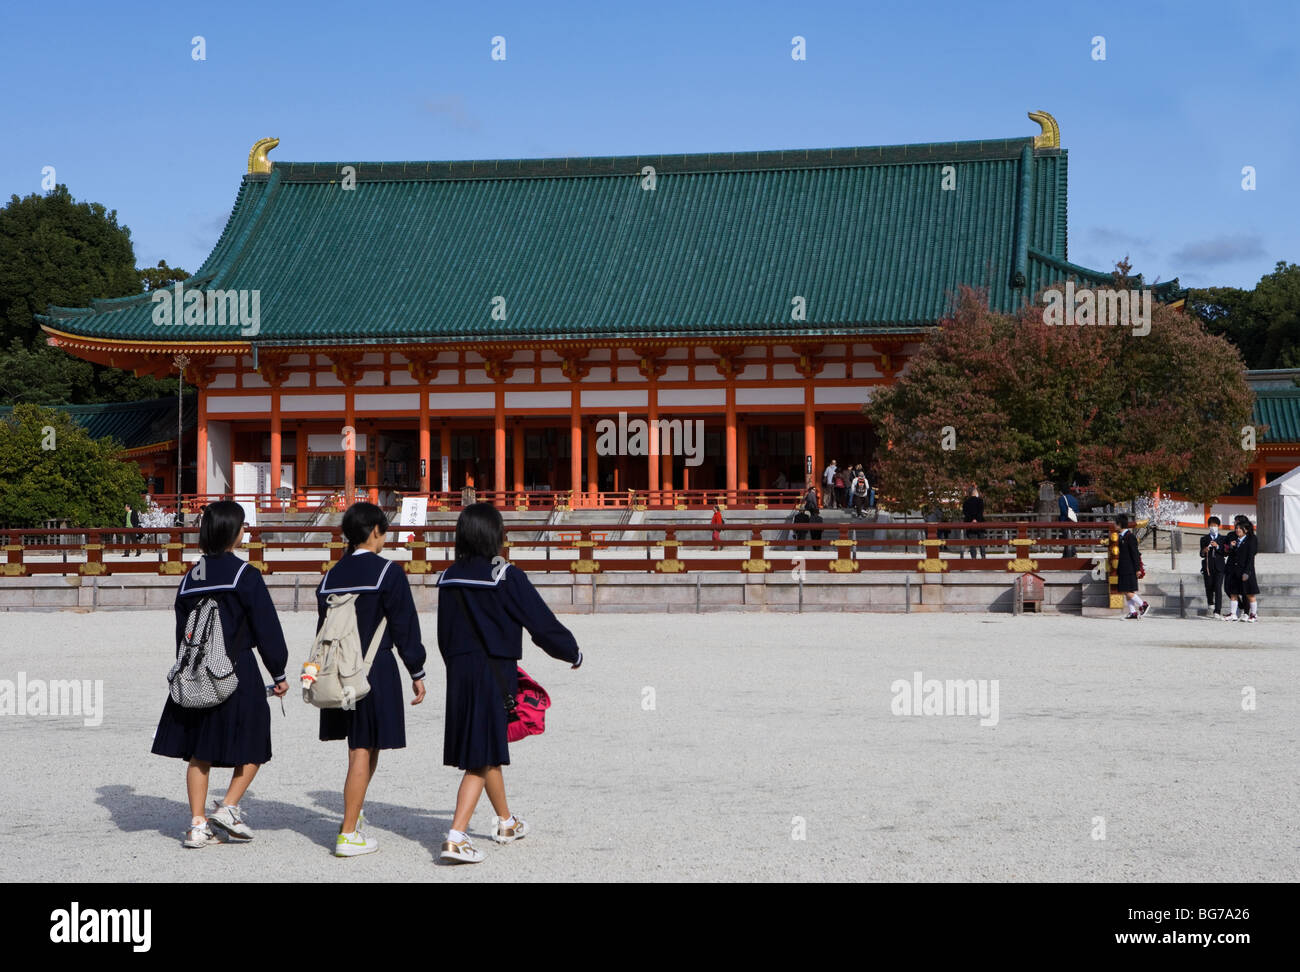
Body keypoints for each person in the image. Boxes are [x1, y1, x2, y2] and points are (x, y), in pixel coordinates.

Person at [435, 503, 582, 864]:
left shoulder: (449, 576)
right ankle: (456, 837)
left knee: (486, 744)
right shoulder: (505, 575)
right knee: (480, 754)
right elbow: (539, 622)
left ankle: (506, 822)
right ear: (494, 535)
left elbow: (443, 633)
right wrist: (571, 652)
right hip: (493, 670)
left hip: (458, 670)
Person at [151, 500, 290, 848]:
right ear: (233, 531)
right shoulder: (245, 574)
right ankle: (228, 806)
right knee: (255, 743)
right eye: (243, 526)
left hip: (197, 670)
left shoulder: (189, 578)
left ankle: (197, 824)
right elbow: (266, 628)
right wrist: (279, 669)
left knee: (200, 751)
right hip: (237, 667)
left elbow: (183, 632)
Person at [316, 502, 428, 857]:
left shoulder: (331, 575)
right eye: (384, 530)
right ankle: (348, 833)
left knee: (364, 743)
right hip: (373, 668)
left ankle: (354, 810)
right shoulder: (388, 573)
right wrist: (417, 671)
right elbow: (404, 625)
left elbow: (324, 629)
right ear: (375, 531)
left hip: (337, 669)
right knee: (361, 748)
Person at [1115, 513, 1147, 618]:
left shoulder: (1130, 537)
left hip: (1129, 568)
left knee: (1126, 590)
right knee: (1128, 591)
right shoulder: (1120, 537)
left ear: (1120, 524)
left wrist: (1137, 569)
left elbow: (1135, 553)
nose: (1115, 526)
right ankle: (1133, 612)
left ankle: (1143, 604)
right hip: (1123, 568)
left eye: (1116, 524)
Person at [1200, 516, 1227, 618]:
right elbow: (1201, 554)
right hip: (1208, 566)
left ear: (1218, 526)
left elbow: (1225, 553)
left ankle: (1217, 610)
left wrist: (1218, 546)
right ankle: (1210, 603)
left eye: (1215, 525)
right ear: (1208, 526)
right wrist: (1204, 550)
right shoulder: (1204, 539)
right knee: (1209, 586)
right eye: (1211, 525)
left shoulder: (1223, 539)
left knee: (1218, 587)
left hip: (1219, 567)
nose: (1213, 527)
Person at [1233, 516, 1259, 622]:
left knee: (1250, 593)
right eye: (1236, 528)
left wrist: (1247, 572)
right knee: (1242, 592)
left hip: (1247, 570)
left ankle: (1253, 614)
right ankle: (1243, 613)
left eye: (1240, 528)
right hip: (1238, 570)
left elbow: (1250, 557)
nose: (1237, 530)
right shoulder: (1238, 541)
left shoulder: (1251, 540)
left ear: (1246, 530)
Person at [961, 486, 986, 558]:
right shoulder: (980, 501)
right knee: (982, 542)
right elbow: (980, 512)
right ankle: (983, 557)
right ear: (975, 492)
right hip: (980, 523)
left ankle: (973, 558)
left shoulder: (966, 502)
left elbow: (965, 513)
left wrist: (972, 519)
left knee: (972, 542)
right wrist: (976, 519)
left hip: (970, 523)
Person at [1058, 488, 1080, 558]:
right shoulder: (1074, 499)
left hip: (1065, 520)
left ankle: (1073, 553)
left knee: (1067, 538)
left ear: (1061, 492)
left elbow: (1063, 510)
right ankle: (1065, 555)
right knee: (1070, 537)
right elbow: (1077, 510)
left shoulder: (1062, 499)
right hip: (1073, 520)